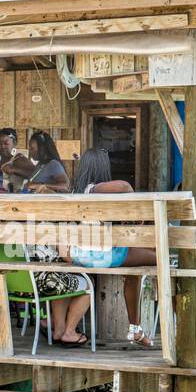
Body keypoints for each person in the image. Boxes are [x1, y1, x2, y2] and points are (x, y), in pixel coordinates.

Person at [65, 148, 157, 346]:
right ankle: (137, 327)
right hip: (98, 255)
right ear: (101, 168)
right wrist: (135, 208)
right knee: (162, 258)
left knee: (137, 266)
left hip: (79, 253)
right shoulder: (92, 189)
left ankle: (135, 329)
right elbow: (124, 186)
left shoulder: (76, 191)